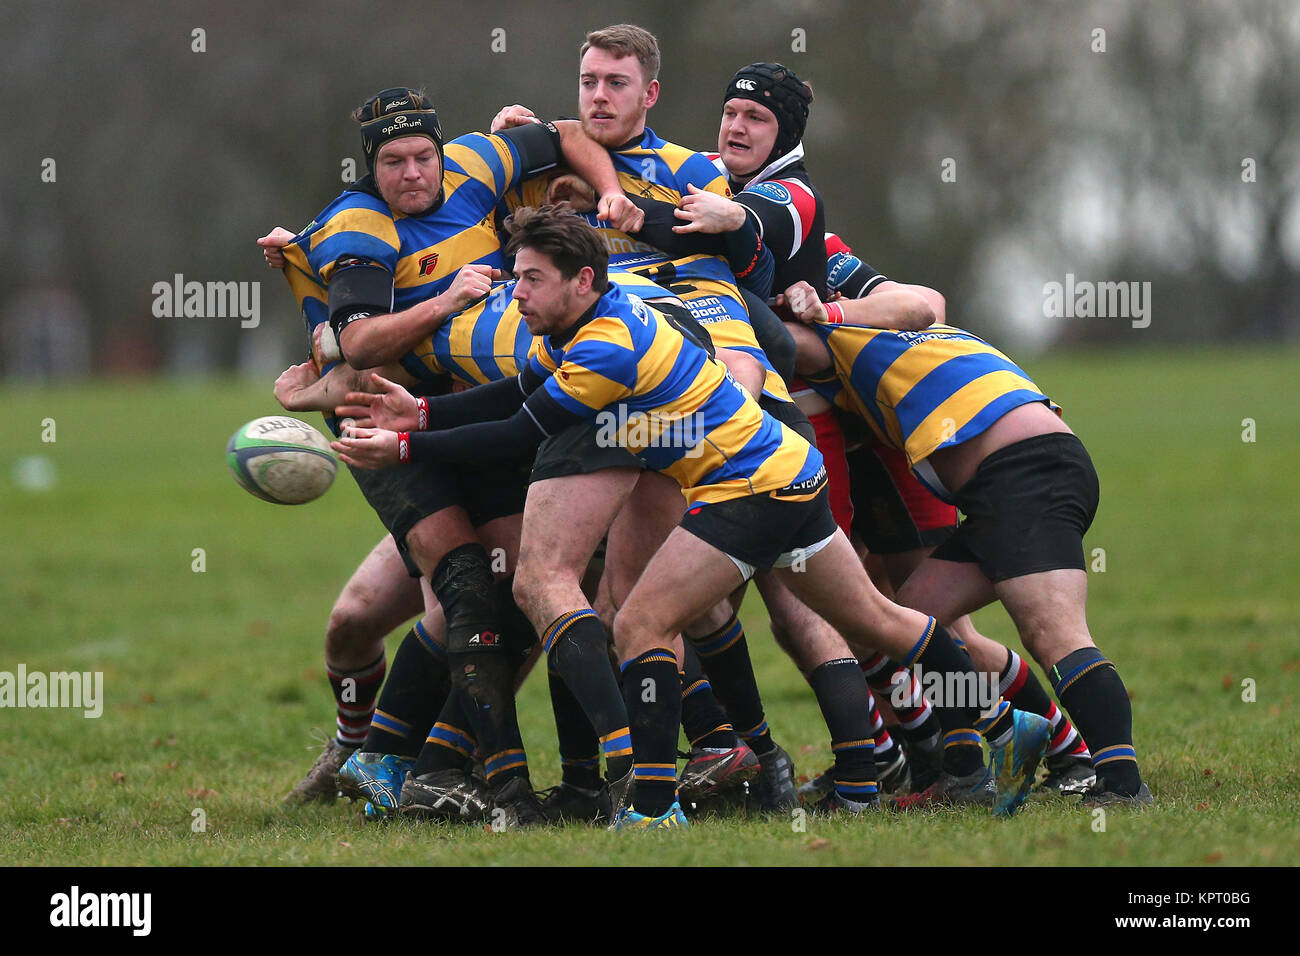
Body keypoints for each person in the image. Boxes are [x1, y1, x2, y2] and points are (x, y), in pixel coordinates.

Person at [333, 205, 1053, 826]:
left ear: (583, 280)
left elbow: (522, 428)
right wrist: (421, 409)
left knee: (642, 623)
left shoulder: (609, 345)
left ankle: (650, 807)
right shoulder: (582, 324)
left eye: (530, 279)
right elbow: (517, 391)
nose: (514, 292)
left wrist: (402, 448)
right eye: (516, 276)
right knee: (876, 621)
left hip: (751, 489)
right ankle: (998, 731)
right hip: (790, 473)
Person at [263, 85, 640, 824]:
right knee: (456, 588)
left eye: (423, 157)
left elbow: (564, 134)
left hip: (466, 408)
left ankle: (416, 761)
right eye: (394, 162)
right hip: (385, 419)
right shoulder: (361, 228)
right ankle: (428, 766)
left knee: (521, 588)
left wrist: (610, 191)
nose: (412, 174)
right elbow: (362, 341)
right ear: (371, 167)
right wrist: (449, 298)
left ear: (442, 151)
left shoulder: (474, 164)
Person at [782, 284, 1151, 807]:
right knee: (911, 620)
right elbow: (924, 300)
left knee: (1054, 633)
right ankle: (969, 766)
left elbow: (787, 340)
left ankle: (1121, 785)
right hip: (1010, 481)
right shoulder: (900, 334)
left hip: (1026, 473)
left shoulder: (850, 338)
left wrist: (719, 303)